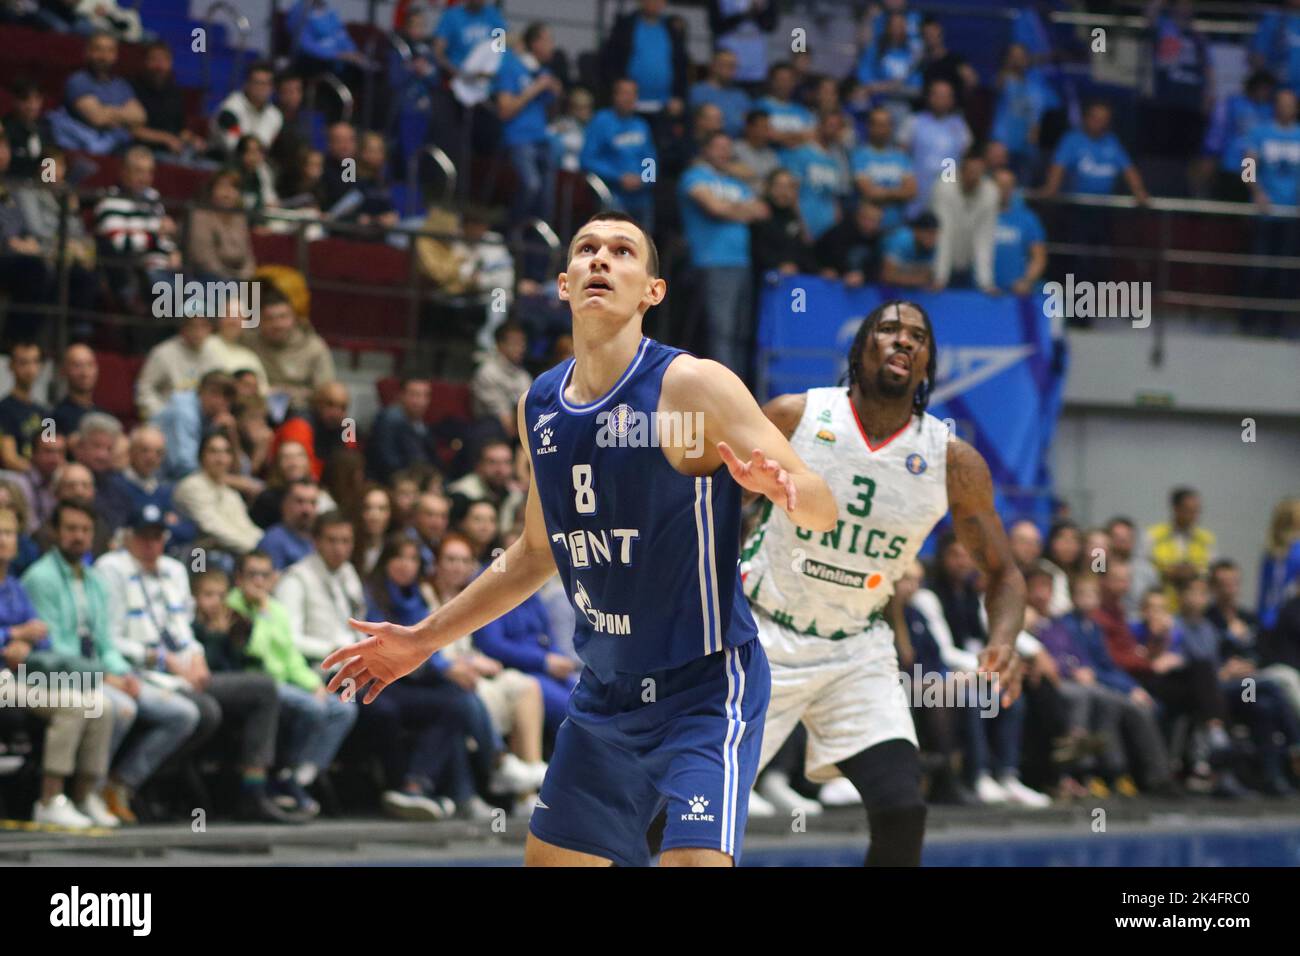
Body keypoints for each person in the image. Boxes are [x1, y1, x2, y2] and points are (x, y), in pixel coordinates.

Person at [326, 210, 837, 867]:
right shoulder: (539, 406)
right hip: (605, 693)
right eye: (586, 249)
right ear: (563, 284)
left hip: (703, 688)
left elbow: (821, 508)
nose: (601, 259)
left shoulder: (691, 386)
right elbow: (537, 553)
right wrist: (423, 640)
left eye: (623, 251)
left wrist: (782, 489)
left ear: (653, 291)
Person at [739, 300, 1028, 866]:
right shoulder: (795, 416)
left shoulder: (953, 461)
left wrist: (1004, 640)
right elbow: (713, 511)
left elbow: (1002, 572)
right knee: (673, 816)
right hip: (760, 634)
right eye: (889, 329)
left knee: (901, 809)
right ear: (860, 347)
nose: (903, 341)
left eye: (917, 337)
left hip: (856, 649)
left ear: (927, 366)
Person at [23, 499, 201, 824]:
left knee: (184, 712)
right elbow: (54, 652)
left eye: (85, 530)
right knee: (117, 706)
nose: (78, 536)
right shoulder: (41, 578)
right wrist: (104, 676)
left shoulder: (92, 579)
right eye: (71, 529)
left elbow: (105, 642)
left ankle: (101, 790)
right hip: (53, 675)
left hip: (98, 672)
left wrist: (122, 672)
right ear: (55, 532)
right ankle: (79, 791)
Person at [0, 503, 117, 828]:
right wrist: (12, 634)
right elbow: (18, 632)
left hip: (20, 676)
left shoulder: (14, 586)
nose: (3, 540)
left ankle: (83, 796)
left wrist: (28, 641)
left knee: (100, 705)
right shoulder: (33, 577)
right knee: (74, 705)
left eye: (8, 533)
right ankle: (50, 799)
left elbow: (45, 639)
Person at [227, 550, 358, 817]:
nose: (259, 581)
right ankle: (285, 776)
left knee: (344, 709)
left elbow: (290, 657)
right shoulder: (232, 606)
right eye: (252, 575)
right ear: (238, 578)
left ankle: (296, 776)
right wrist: (262, 612)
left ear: (273, 578)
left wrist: (313, 684)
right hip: (254, 682)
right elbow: (254, 651)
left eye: (265, 575)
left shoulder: (277, 609)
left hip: (286, 683)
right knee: (313, 709)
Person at [679, 131, 769, 376]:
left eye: (728, 148)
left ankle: (738, 388)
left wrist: (729, 210)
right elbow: (714, 208)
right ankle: (724, 393)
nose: (724, 153)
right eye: (718, 147)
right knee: (721, 332)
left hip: (742, 262)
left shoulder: (735, 182)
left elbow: (762, 211)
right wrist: (739, 210)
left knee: (741, 332)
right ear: (706, 150)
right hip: (712, 261)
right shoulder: (694, 176)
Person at [491, 22, 563, 227]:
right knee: (531, 185)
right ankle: (511, 231)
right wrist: (535, 89)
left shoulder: (543, 72)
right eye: (547, 41)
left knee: (547, 198)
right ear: (535, 43)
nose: (552, 46)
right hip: (519, 139)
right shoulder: (511, 67)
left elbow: (550, 110)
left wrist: (555, 92)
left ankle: (539, 238)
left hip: (542, 138)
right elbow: (505, 111)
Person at [274, 510, 366, 666]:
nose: (339, 548)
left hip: (354, 661)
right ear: (315, 542)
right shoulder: (296, 579)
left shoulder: (349, 572)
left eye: (346, 541)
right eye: (332, 540)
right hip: (319, 667)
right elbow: (288, 639)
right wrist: (334, 651)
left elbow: (359, 622)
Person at [246, 285, 336, 415]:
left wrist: (289, 394)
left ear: (294, 318)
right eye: (269, 318)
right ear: (259, 321)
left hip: (302, 409)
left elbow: (325, 391)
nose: (277, 324)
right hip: (258, 409)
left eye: (283, 317)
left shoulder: (314, 347)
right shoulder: (250, 342)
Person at [580, 78, 658, 228]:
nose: (628, 98)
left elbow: (650, 157)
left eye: (632, 94)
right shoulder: (601, 121)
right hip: (612, 192)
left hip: (641, 192)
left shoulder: (641, 124)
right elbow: (587, 159)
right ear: (614, 96)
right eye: (624, 93)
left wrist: (645, 179)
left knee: (644, 242)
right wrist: (619, 177)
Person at [173, 432, 265, 557]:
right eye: (213, 452)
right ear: (201, 456)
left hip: (233, 550)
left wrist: (266, 543)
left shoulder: (230, 492)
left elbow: (245, 526)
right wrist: (254, 548)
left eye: (226, 452)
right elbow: (212, 527)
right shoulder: (192, 486)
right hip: (198, 555)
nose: (221, 459)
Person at [55, 32, 145, 156]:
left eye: (110, 51)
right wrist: (123, 115)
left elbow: (140, 117)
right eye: (98, 49)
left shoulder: (121, 85)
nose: (104, 56)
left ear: (116, 55)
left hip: (121, 149)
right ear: (87, 52)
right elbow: (97, 118)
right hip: (87, 150)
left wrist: (107, 110)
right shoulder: (78, 80)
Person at [929, 149, 997, 292]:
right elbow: (944, 234)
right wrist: (940, 278)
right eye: (971, 172)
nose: (974, 177)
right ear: (960, 171)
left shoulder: (991, 192)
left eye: (978, 172)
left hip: (967, 259)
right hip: (939, 256)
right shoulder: (943, 187)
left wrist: (986, 283)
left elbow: (984, 238)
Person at [153, 368, 238, 481]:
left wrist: (232, 434)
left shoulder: (214, 418)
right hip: (159, 480)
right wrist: (232, 481)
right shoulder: (184, 413)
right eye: (214, 393)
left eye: (226, 397)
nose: (220, 401)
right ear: (200, 391)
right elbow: (183, 466)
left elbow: (241, 468)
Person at [135, 313, 215, 422]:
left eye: (203, 326)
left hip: (202, 420)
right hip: (167, 417)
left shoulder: (213, 354)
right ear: (183, 329)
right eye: (193, 326)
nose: (198, 332)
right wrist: (160, 414)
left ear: (210, 329)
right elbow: (144, 389)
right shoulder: (163, 353)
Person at [1145, 486, 1216, 609]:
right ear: (1176, 509)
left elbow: (1211, 572)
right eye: (1189, 510)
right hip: (1162, 607)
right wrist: (1167, 572)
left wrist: (1193, 572)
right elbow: (1146, 571)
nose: (1194, 515)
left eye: (1197, 511)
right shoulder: (1154, 536)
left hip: (1193, 609)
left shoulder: (1206, 540)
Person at [131, 41, 205, 158]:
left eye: (164, 60)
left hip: (172, 151)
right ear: (145, 62)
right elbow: (132, 130)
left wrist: (193, 139)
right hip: (141, 150)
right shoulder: (132, 89)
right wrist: (166, 138)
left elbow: (180, 130)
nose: (159, 66)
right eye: (154, 60)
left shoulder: (175, 93)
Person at [851, 107, 917, 234]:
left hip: (896, 227)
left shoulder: (901, 156)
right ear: (870, 127)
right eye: (879, 124)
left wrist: (881, 192)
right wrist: (897, 192)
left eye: (887, 124)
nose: (883, 129)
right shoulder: (859, 155)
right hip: (866, 229)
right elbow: (869, 192)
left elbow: (912, 191)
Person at [445, 439, 524, 535]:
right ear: (479, 465)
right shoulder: (461, 493)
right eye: (493, 462)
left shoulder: (516, 495)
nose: (500, 469)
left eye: (506, 462)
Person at [366, 377, 437, 484]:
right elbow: (389, 463)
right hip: (394, 483)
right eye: (415, 395)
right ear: (401, 395)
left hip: (419, 480)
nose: (421, 402)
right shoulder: (390, 419)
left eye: (426, 395)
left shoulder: (420, 423)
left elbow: (431, 458)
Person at [470, 323, 532, 443]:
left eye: (522, 343)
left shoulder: (524, 376)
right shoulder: (487, 372)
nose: (520, 347)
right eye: (514, 343)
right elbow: (506, 423)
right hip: (491, 430)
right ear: (499, 345)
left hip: (520, 429)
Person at [188, 169, 255, 281]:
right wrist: (231, 280)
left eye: (233, 187)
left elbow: (248, 256)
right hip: (207, 277)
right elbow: (205, 259)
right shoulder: (201, 216)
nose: (228, 193)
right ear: (212, 190)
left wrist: (247, 276)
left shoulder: (239, 217)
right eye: (223, 186)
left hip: (238, 278)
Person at [992, 168, 1047, 295]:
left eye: (1008, 186)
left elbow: (1039, 257)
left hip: (1016, 292)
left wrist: (1027, 281)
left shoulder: (1027, 219)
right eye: (1000, 186)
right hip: (980, 291)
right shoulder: (979, 216)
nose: (1004, 190)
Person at [211, 61, 282, 158]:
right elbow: (233, 146)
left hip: (255, 163)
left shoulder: (275, 115)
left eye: (266, 84)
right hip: (224, 161)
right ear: (247, 84)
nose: (261, 88)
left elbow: (264, 145)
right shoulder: (230, 109)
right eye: (257, 83)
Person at [0, 341, 50, 473]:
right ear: (11, 366)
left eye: (35, 362)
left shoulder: (46, 412)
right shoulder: (3, 409)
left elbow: (51, 448)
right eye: (23, 362)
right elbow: (9, 459)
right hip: (16, 478)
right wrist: (37, 473)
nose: (30, 369)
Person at [257, 479, 319, 571]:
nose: (307, 509)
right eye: (300, 502)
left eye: (312, 503)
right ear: (285, 504)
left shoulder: (320, 538)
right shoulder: (273, 540)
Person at [879, 211, 938, 288]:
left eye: (935, 233)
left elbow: (927, 275)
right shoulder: (900, 240)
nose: (932, 238)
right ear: (916, 232)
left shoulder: (932, 245)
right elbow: (887, 276)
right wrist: (917, 281)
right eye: (929, 233)